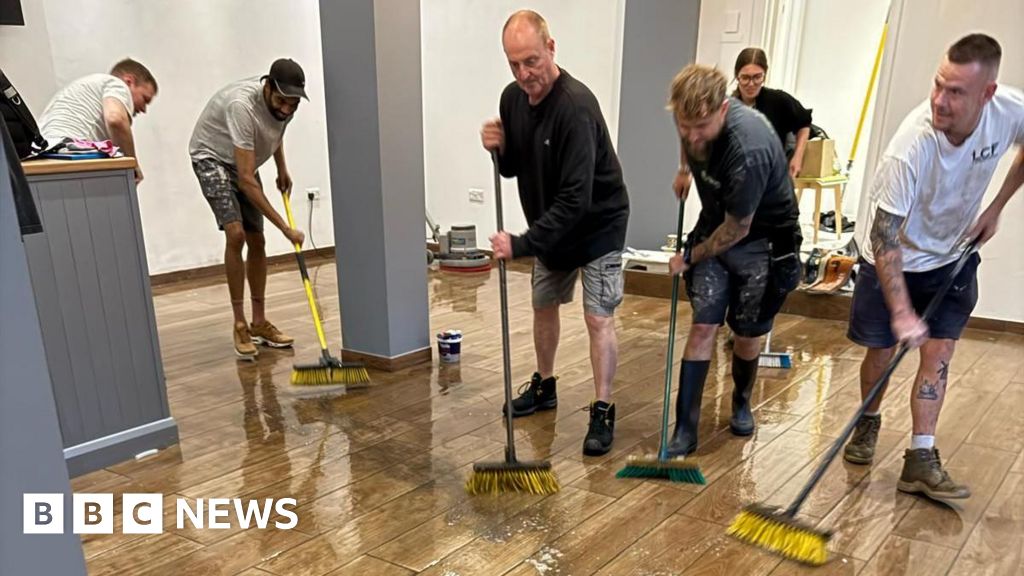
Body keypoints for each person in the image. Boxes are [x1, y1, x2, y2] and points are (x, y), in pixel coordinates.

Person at [843, 33, 1023, 500]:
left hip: (952, 257)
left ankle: (920, 458)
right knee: (880, 354)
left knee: (937, 356)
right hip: (891, 257)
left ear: (988, 93)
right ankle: (868, 419)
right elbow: (884, 239)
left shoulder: (1008, 112)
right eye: (937, 85)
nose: (940, 101)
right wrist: (902, 312)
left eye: (956, 91)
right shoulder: (910, 146)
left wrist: (997, 205)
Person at [480, 10, 630, 456]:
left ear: (551, 48)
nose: (524, 74)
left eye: (531, 61)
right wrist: (500, 147)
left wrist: (522, 244)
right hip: (553, 226)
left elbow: (577, 200)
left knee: (597, 317)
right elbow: (513, 167)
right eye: (514, 64)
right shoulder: (513, 99)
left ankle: (602, 408)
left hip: (598, 222)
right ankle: (545, 386)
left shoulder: (576, 108)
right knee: (544, 305)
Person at [664, 64, 802, 456]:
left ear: (723, 110)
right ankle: (684, 429)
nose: (691, 134)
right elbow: (685, 129)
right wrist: (684, 168)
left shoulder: (749, 148)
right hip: (715, 225)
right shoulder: (689, 120)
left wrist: (689, 257)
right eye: (684, 123)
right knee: (703, 324)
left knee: (746, 333)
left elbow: (736, 231)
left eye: (701, 126)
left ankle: (741, 400)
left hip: (762, 241)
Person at [189, 58, 308, 360]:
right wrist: (285, 227)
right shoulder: (241, 106)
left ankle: (259, 322)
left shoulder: (286, 105)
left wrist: (282, 168)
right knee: (237, 234)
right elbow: (245, 179)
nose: (286, 109)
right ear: (267, 87)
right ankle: (240, 323)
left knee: (258, 240)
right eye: (281, 100)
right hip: (213, 157)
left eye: (293, 104)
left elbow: (274, 132)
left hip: (244, 158)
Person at [38, 58, 157, 183]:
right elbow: (115, 119)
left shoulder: (84, 89)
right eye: (145, 99)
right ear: (129, 81)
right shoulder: (117, 84)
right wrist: (132, 165)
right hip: (70, 152)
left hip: (42, 156)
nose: (144, 109)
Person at [733, 47, 814, 179]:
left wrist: (798, 156)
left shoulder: (778, 100)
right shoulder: (729, 107)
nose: (751, 84)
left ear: (765, 75)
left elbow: (804, 121)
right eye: (745, 78)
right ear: (737, 76)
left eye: (757, 77)